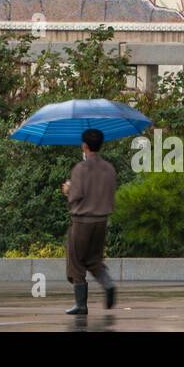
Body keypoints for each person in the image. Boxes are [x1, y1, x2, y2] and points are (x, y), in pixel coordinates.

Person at [60, 127, 118, 314]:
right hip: (102, 221)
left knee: (76, 260)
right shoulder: (109, 168)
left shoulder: (80, 169)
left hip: (82, 221)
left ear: (84, 145)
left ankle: (81, 304)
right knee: (94, 259)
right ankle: (107, 284)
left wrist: (68, 189)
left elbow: (75, 196)